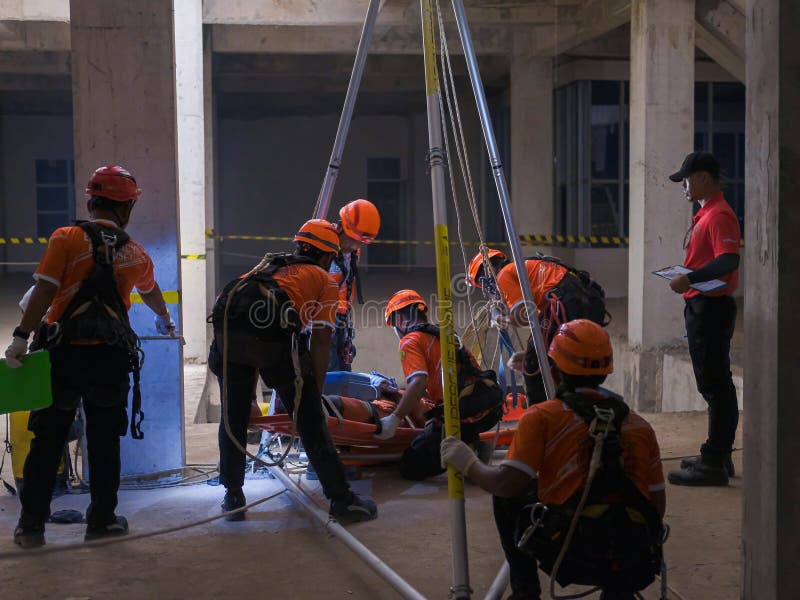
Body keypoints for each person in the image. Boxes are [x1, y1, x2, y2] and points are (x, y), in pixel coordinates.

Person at [5, 165, 175, 548]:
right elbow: (150, 291)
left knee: (47, 439)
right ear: (127, 206)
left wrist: (20, 336)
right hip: (109, 359)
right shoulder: (135, 252)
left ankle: (31, 527)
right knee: (103, 441)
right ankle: (101, 521)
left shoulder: (66, 238)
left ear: (91, 200)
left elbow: (45, 292)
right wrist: (165, 320)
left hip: (62, 355)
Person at [441, 320, 666, 600]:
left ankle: (526, 592)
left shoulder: (543, 417)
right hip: (633, 557)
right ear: (606, 373)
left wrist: (469, 463)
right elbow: (656, 507)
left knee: (510, 497)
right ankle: (619, 593)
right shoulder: (640, 427)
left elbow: (506, 484)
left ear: (555, 370)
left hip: (569, 551)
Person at [208, 219, 377, 523]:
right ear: (327, 256)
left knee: (232, 419)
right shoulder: (323, 279)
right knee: (312, 423)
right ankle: (341, 500)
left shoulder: (264, 268)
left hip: (228, 341)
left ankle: (233, 496)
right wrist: (312, 392)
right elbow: (322, 340)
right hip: (273, 342)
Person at [664, 151, 740, 486]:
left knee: (715, 383)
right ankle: (717, 455)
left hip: (711, 307)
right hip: (702, 307)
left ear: (704, 178)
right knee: (712, 382)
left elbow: (728, 262)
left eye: (688, 179)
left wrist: (689, 280)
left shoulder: (719, 215)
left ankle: (714, 461)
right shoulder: (705, 213)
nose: (684, 186)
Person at [377, 290, 503, 480]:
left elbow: (419, 382)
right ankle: (472, 444)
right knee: (434, 423)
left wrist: (395, 418)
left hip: (461, 415)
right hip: (487, 407)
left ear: (400, 320)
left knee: (409, 466)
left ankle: (469, 452)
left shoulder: (410, 341)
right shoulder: (446, 335)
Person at [467, 249, 607, 405]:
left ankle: (539, 414)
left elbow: (525, 315)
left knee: (533, 365)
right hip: (586, 303)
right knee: (561, 360)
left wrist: (504, 320)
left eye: (481, 281)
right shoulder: (522, 268)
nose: (485, 287)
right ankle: (569, 404)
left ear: (488, 268)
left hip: (567, 303)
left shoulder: (504, 274)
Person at [328, 199, 381, 372]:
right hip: (320, 323)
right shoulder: (323, 245)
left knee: (341, 378)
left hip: (340, 322)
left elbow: (346, 288)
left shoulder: (353, 252)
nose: (355, 246)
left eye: (360, 243)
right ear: (342, 227)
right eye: (352, 240)